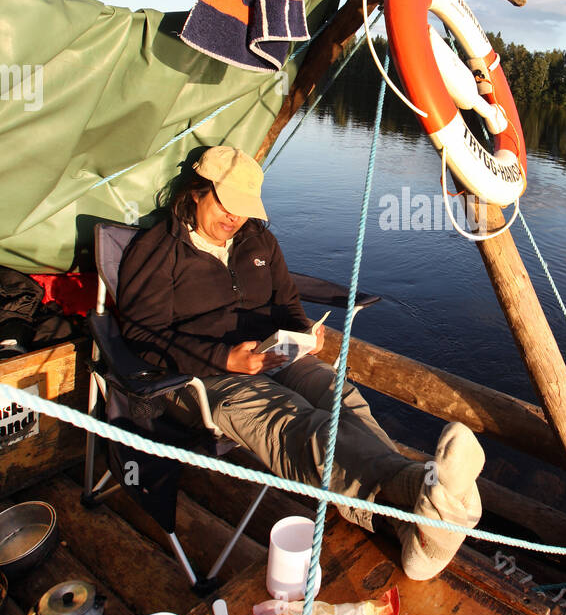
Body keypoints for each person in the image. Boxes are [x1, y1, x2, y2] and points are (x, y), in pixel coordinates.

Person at [115, 145, 484, 579]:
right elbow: (141, 333)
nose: (234, 218)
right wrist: (223, 358)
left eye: (243, 209)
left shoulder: (258, 240)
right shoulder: (158, 250)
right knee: (294, 420)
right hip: (198, 378)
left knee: (340, 396)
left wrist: (302, 332)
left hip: (273, 354)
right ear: (197, 191)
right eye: (225, 204)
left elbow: (286, 301)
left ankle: (406, 527)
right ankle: (420, 493)